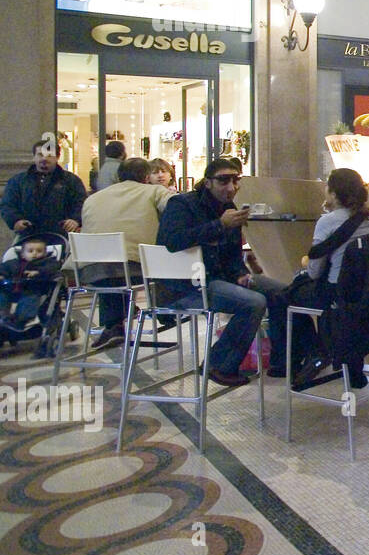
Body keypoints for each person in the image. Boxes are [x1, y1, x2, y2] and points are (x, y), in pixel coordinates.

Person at [155, 158, 266, 387]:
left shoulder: (230, 209)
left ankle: (288, 360)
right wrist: (219, 225)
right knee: (253, 302)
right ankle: (218, 365)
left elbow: (232, 256)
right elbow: (171, 242)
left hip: (215, 280)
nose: (231, 187)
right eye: (223, 180)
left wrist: (240, 273)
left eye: (236, 180)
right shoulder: (182, 204)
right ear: (207, 183)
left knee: (280, 290)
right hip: (184, 286)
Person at [266, 168, 369, 386]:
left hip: (336, 293)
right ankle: (325, 355)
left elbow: (315, 271)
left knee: (282, 298)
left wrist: (306, 264)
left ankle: (306, 355)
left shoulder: (328, 222)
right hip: (367, 294)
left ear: (334, 193)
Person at [80, 157, 175, 350]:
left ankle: (114, 326)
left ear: (118, 176)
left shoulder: (94, 198)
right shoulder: (154, 191)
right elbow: (175, 209)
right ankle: (166, 311)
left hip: (88, 268)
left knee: (112, 270)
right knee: (161, 259)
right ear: (146, 177)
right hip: (134, 267)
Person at [2, 140, 86, 240]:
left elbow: (81, 202)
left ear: (58, 157)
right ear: (34, 157)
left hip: (62, 236)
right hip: (28, 237)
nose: (44, 158)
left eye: (49, 155)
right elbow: (7, 204)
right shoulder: (18, 181)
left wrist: (75, 219)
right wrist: (15, 221)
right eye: (40, 154)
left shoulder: (72, 181)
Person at [0, 238, 62, 333]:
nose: (34, 253)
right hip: (11, 288)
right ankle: (4, 314)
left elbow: (53, 268)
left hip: (33, 289)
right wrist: (2, 275)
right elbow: (3, 268)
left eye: (39, 251)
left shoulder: (47, 262)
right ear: (22, 254)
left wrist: (38, 272)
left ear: (45, 253)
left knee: (29, 300)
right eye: (30, 251)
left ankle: (21, 320)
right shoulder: (14, 263)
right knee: (2, 294)